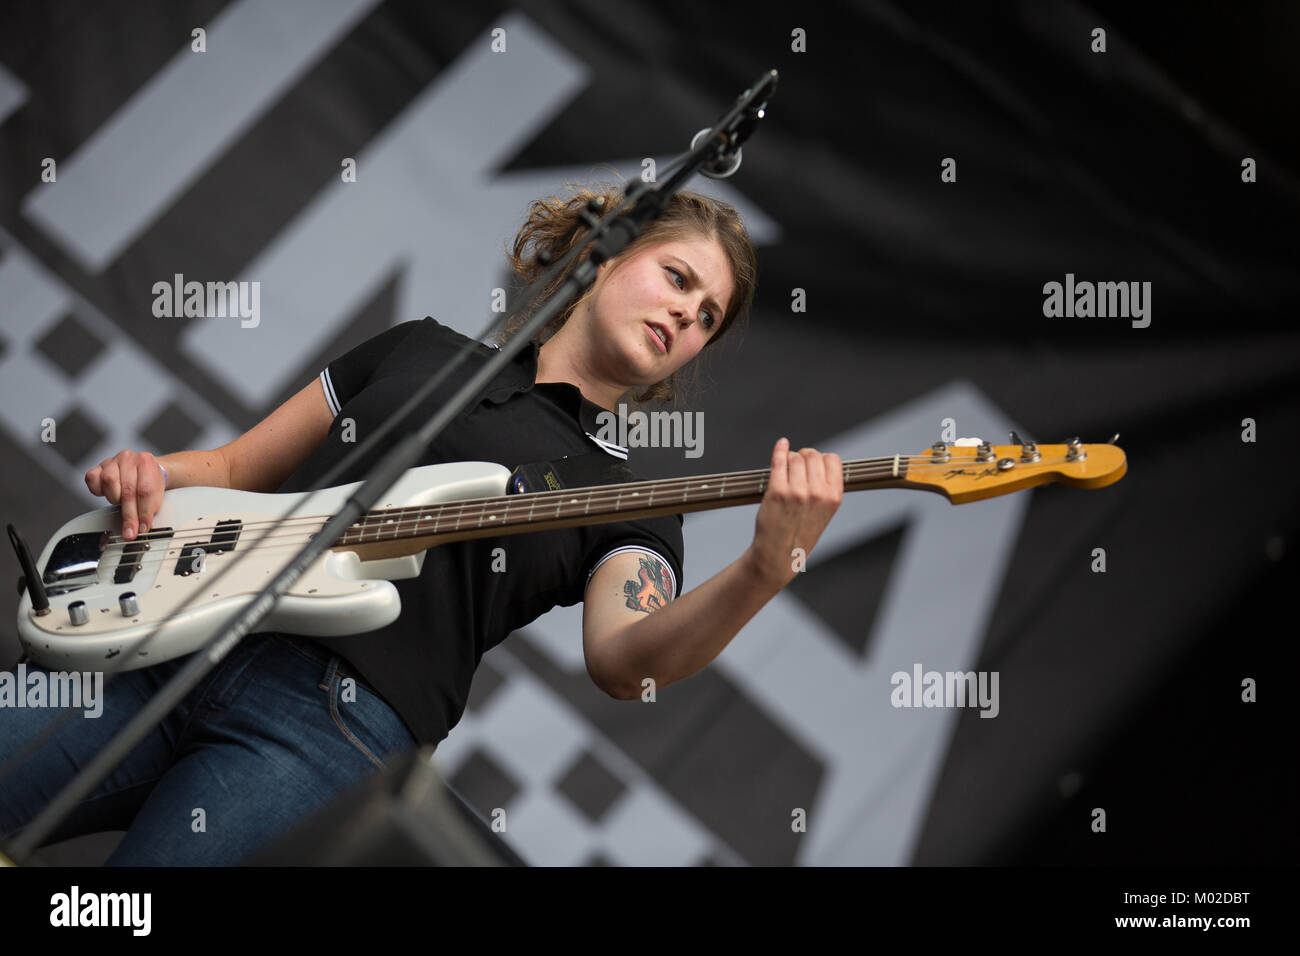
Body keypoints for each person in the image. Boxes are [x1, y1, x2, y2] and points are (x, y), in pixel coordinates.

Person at [0, 186, 842, 865]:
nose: (687, 316)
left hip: (327, 729)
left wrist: (763, 570)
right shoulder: (421, 348)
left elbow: (624, 661)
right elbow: (231, 469)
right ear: (609, 251)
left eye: (708, 318)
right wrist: (154, 474)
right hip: (180, 628)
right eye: (678, 279)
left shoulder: (631, 497)